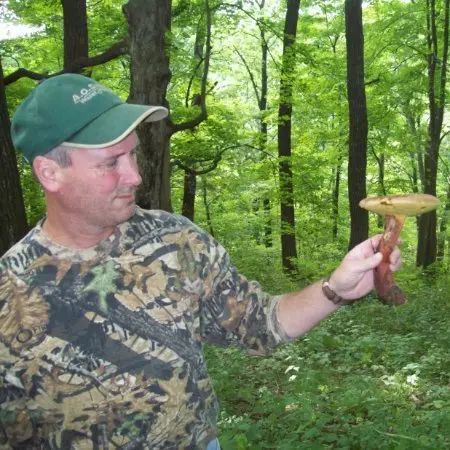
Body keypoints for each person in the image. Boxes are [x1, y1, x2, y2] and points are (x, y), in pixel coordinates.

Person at [0, 74, 401, 450]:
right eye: (110, 163)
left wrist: (335, 288)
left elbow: (257, 323)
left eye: (132, 156)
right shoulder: (10, 290)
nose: (134, 176)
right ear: (50, 173)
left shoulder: (176, 241)